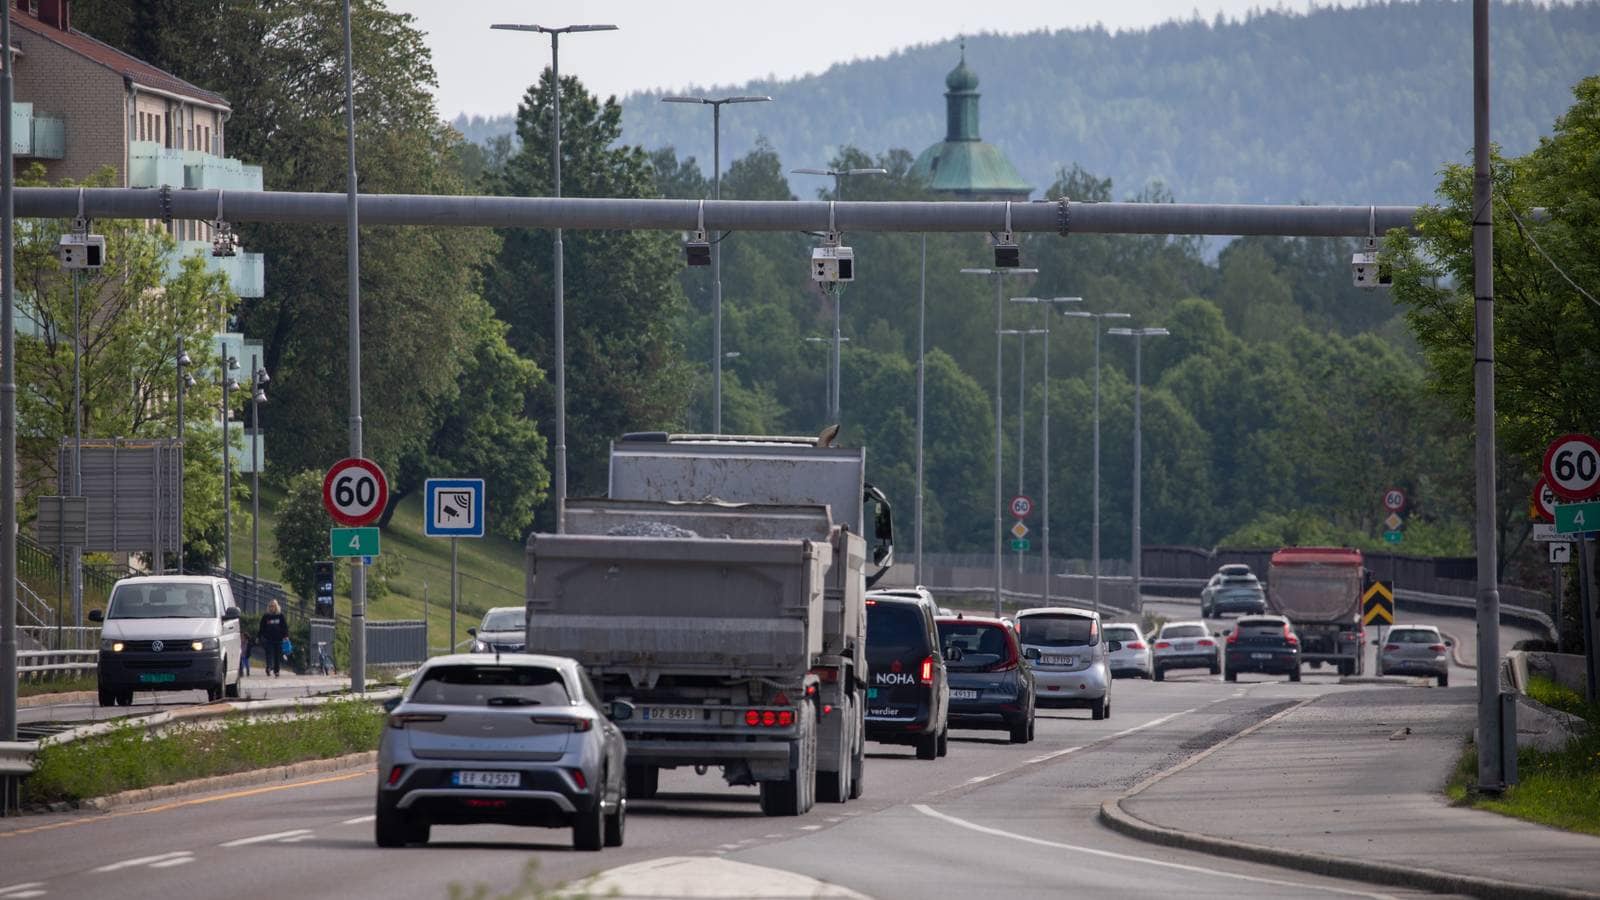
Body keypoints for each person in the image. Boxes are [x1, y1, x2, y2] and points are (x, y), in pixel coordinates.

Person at [258, 600, 288, 677]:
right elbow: (261, 627)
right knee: (269, 654)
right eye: (270, 606)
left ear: (276, 607)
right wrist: (259, 636)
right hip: (268, 638)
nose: (272, 608)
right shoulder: (266, 616)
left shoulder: (280, 616)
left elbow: (284, 627)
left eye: (273, 606)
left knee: (277, 655)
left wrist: (285, 636)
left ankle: (276, 670)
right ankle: (269, 667)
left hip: (278, 639)